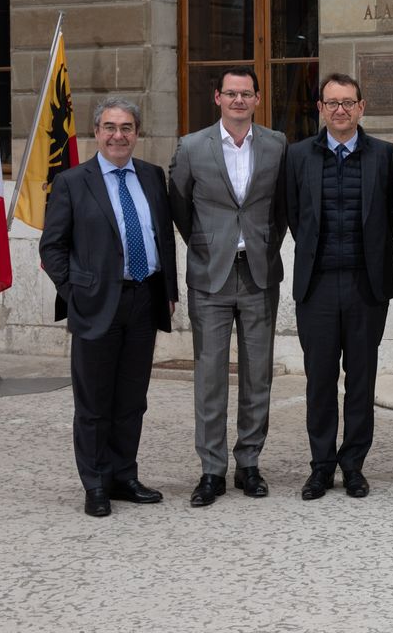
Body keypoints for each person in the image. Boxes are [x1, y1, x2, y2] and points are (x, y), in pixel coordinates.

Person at [40, 98, 178, 517]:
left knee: (132, 399)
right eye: (110, 127)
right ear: (96, 132)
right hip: (97, 303)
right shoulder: (71, 182)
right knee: (94, 401)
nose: (119, 135)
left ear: (138, 132)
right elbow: (53, 246)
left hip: (144, 299)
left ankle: (123, 475)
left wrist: (168, 290)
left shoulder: (153, 177)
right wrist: (77, 291)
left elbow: (164, 238)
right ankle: (96, 483)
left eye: (127, 127)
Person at [168, 67, 288, 507]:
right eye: (231, 94)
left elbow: (282, 209)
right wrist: (206, 245)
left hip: (258, 272)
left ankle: (249, 462)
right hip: (210, 276)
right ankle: (211, 469)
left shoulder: (276, 145)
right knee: (210, 374)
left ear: (258, 99)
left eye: (247, 94)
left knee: (259, 373)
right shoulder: (191, 146)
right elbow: (179, 204)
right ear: (217, 98)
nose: (239, 101)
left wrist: (263, 245)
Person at [282, 73, 393, 501]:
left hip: (367, 286)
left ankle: (353, 465)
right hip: (317, 286)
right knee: (320, 379)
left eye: (348, 102)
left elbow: (391, 214)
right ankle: (320, 466)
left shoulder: (385, 155)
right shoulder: (297, 157)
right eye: (332, 103)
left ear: (362, 107)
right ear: (320, 109)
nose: (340, 110)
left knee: (362, 380)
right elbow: (294, 216)